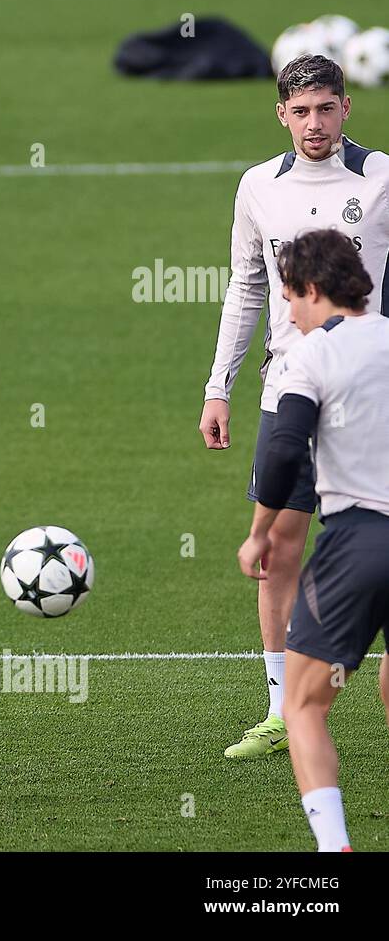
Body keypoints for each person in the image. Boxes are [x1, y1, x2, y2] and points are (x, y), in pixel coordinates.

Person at [200, 54, 389, 760]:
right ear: (281, 114)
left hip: (372, 393)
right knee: (278, 543)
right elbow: (245, 287)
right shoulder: (257, 188)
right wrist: (219, 386)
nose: (314, 123)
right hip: (290, 391)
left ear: (347, 108)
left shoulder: (380, 178)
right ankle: (281, 707)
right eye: (300, 111)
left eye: (326, 108)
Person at [236, 228, 389, 851]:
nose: (289, 312)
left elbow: (281, 450)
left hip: (357, 540)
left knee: (303, 704)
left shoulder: (310, 356)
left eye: (291, 297)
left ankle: (335, 848)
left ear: (315, 290)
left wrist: (259, 533)